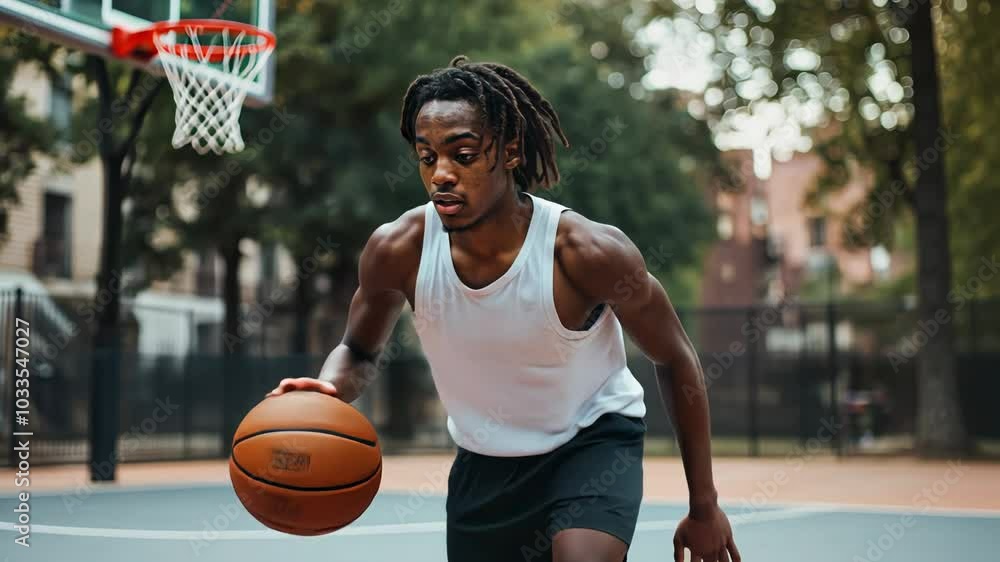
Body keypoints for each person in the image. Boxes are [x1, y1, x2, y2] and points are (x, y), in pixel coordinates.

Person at [267, 55, 740, 562]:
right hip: (484, 461)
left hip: (591, 441)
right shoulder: (398, 249)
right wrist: (328, 389)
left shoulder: (586, 253)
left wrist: (704, 505)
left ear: (510, 151)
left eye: (463, 155)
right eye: (427, 157)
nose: (441, 174)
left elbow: (676, 356)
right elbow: (358, 350)